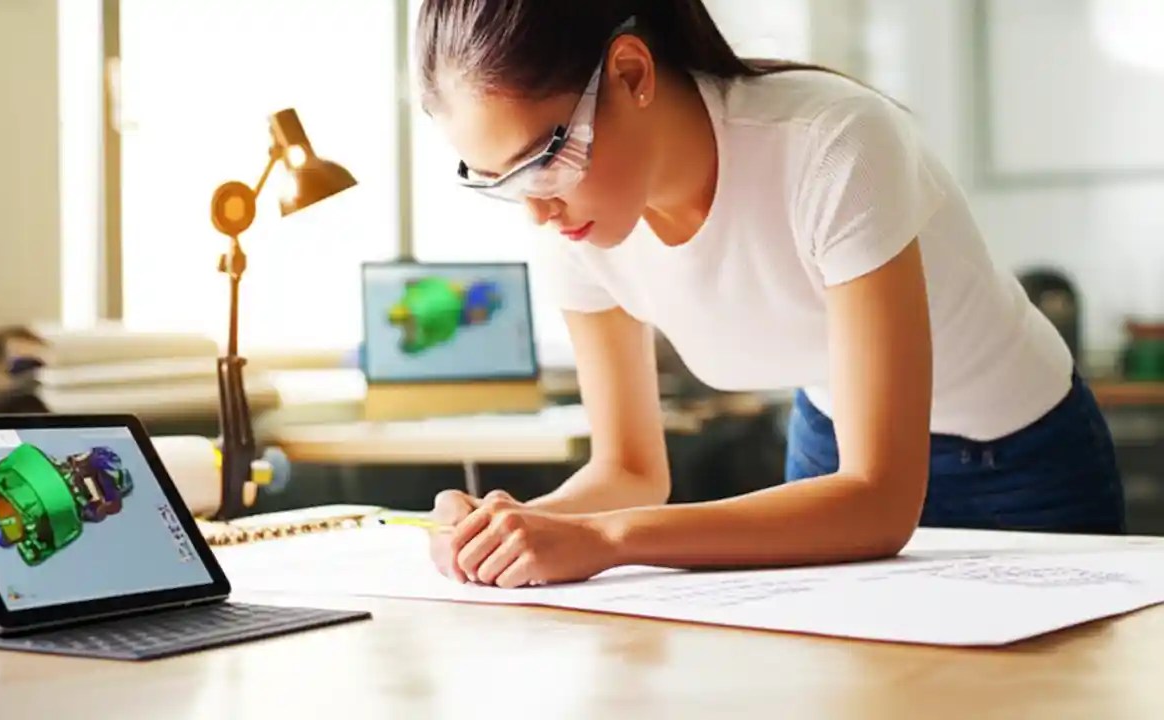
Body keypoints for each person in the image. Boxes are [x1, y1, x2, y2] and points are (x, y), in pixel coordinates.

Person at [414, 0, 1125, 589]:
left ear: (631, 72)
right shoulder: (574, 223)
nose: (536, 209)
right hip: (832, 462)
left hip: (1020, 459)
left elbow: (881, 501)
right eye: (500, 181)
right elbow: (628, 470)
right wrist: (508, 533)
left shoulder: (831, 141)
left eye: (543, 158)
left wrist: (605, 539)